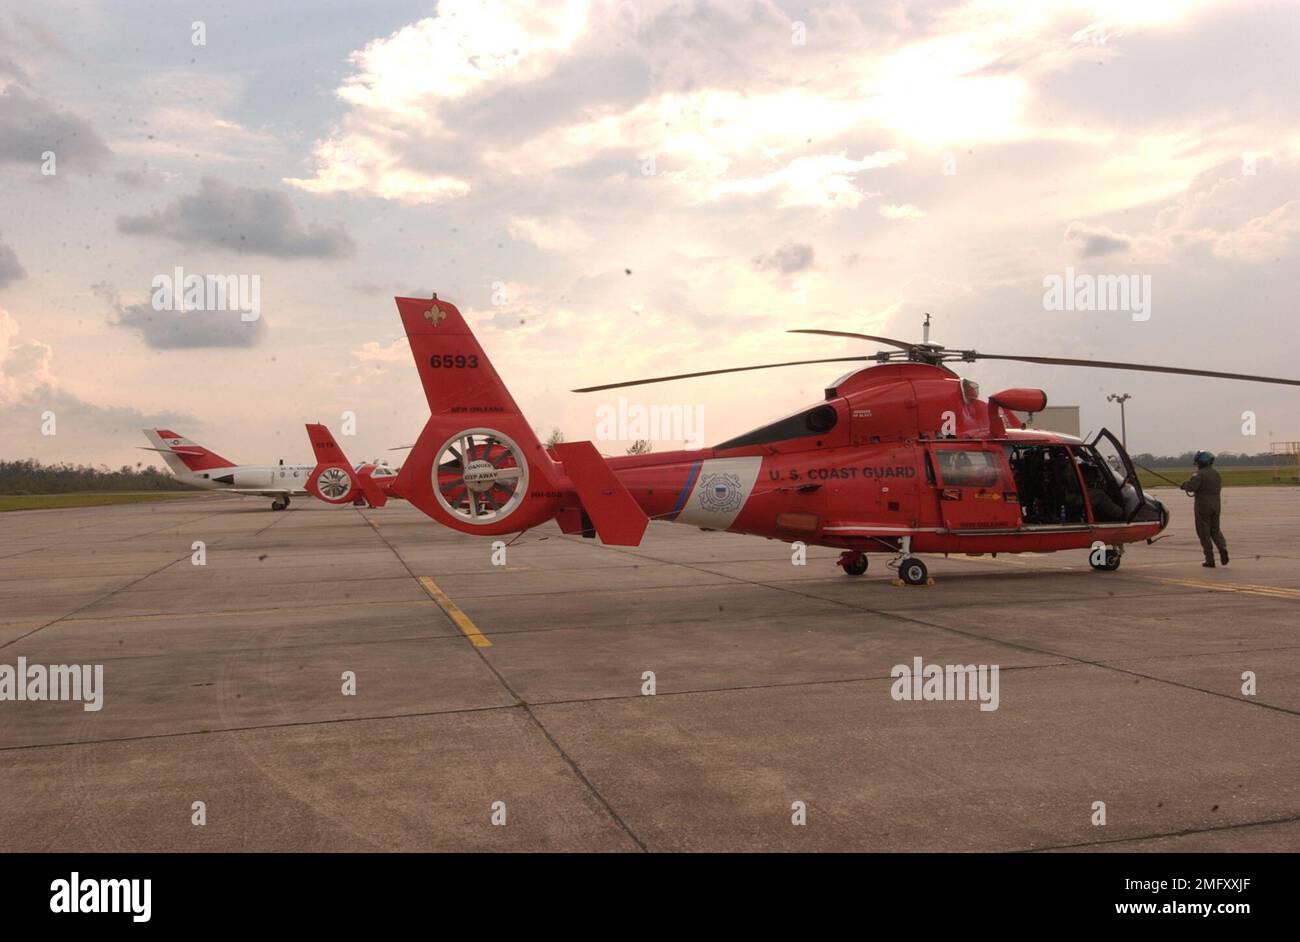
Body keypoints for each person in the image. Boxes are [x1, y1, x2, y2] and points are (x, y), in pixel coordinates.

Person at [1181, 451, 1228, 568]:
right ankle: (1222, 548)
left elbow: (1192, 487)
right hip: (1216, 505)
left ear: (1201, 462)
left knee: (1204, 532)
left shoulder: (1199, 474)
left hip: (1203, 506)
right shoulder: (1216, 474)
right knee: (1215, 530)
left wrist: (1184, 485)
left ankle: (1210, 559)